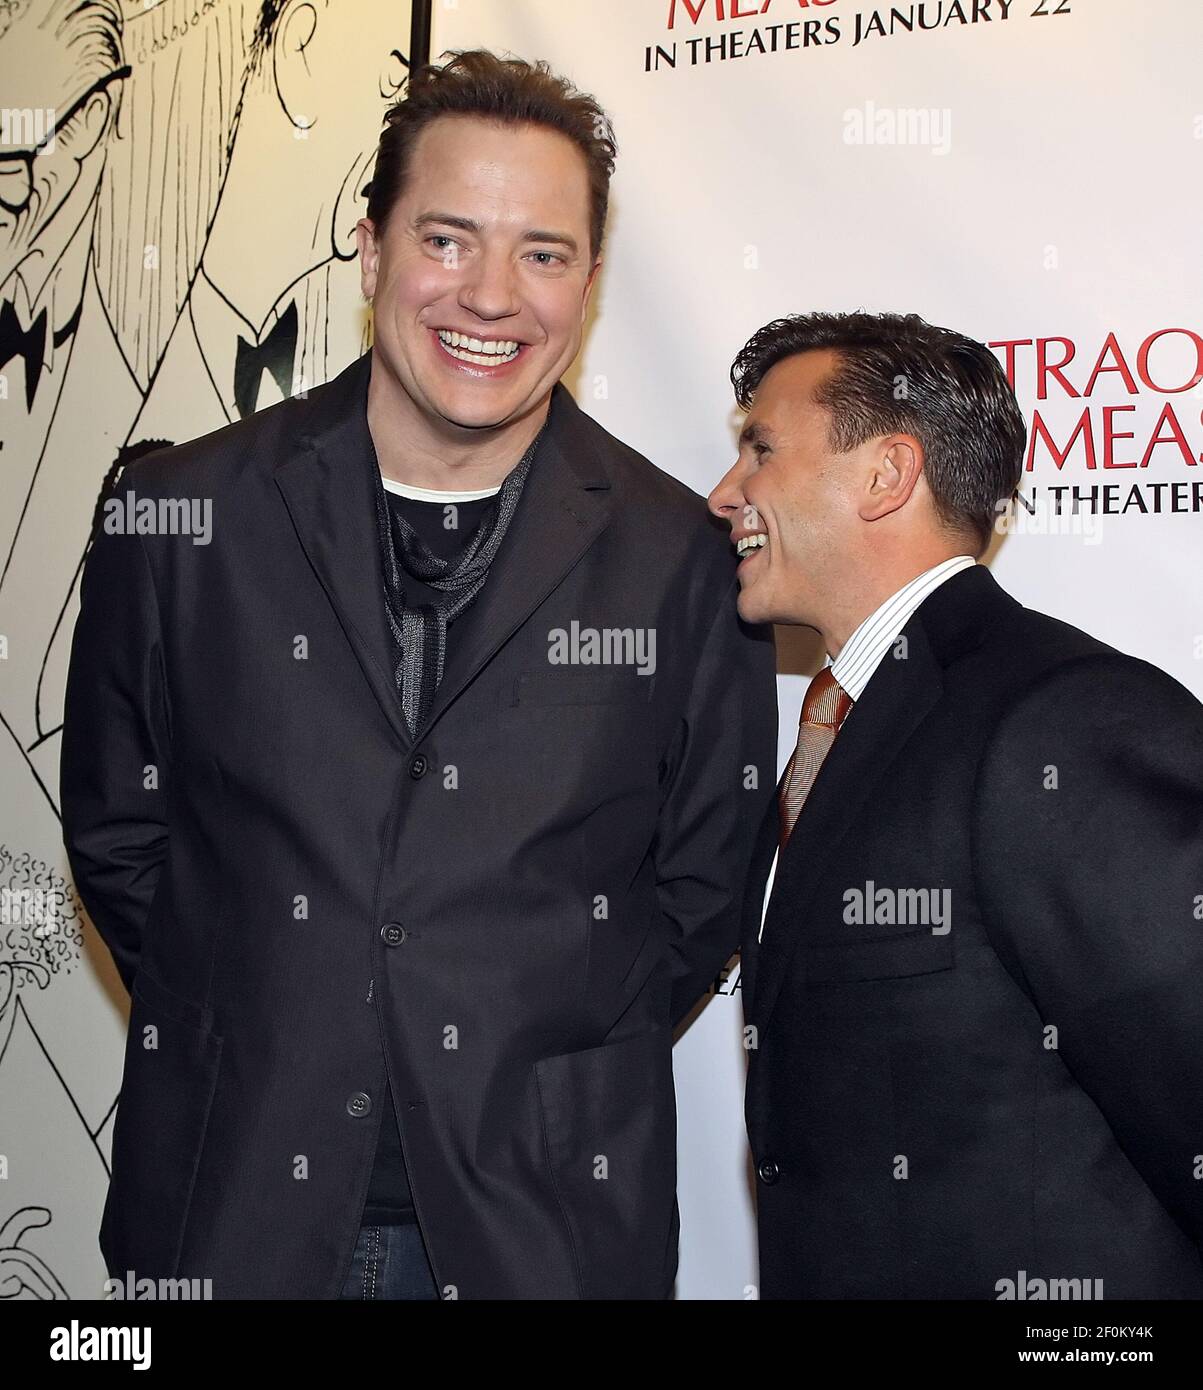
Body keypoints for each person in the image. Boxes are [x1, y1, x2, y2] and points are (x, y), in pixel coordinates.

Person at [60, 50, 777, 1300]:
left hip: (545, 1229)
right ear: (371, 243)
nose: (493, 295)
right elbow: (123, 843)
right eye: (448, 238)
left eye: (544, 253)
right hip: (234, 1218)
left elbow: (700, 892)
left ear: (591, 282)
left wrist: (521, 1035)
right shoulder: (180, 515)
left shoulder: (684, 560)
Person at [708, 309, 1203, 1299]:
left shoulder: (1061, 719)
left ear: (886, 475)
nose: (726, 494)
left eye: (760, 449)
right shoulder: (839, 725)